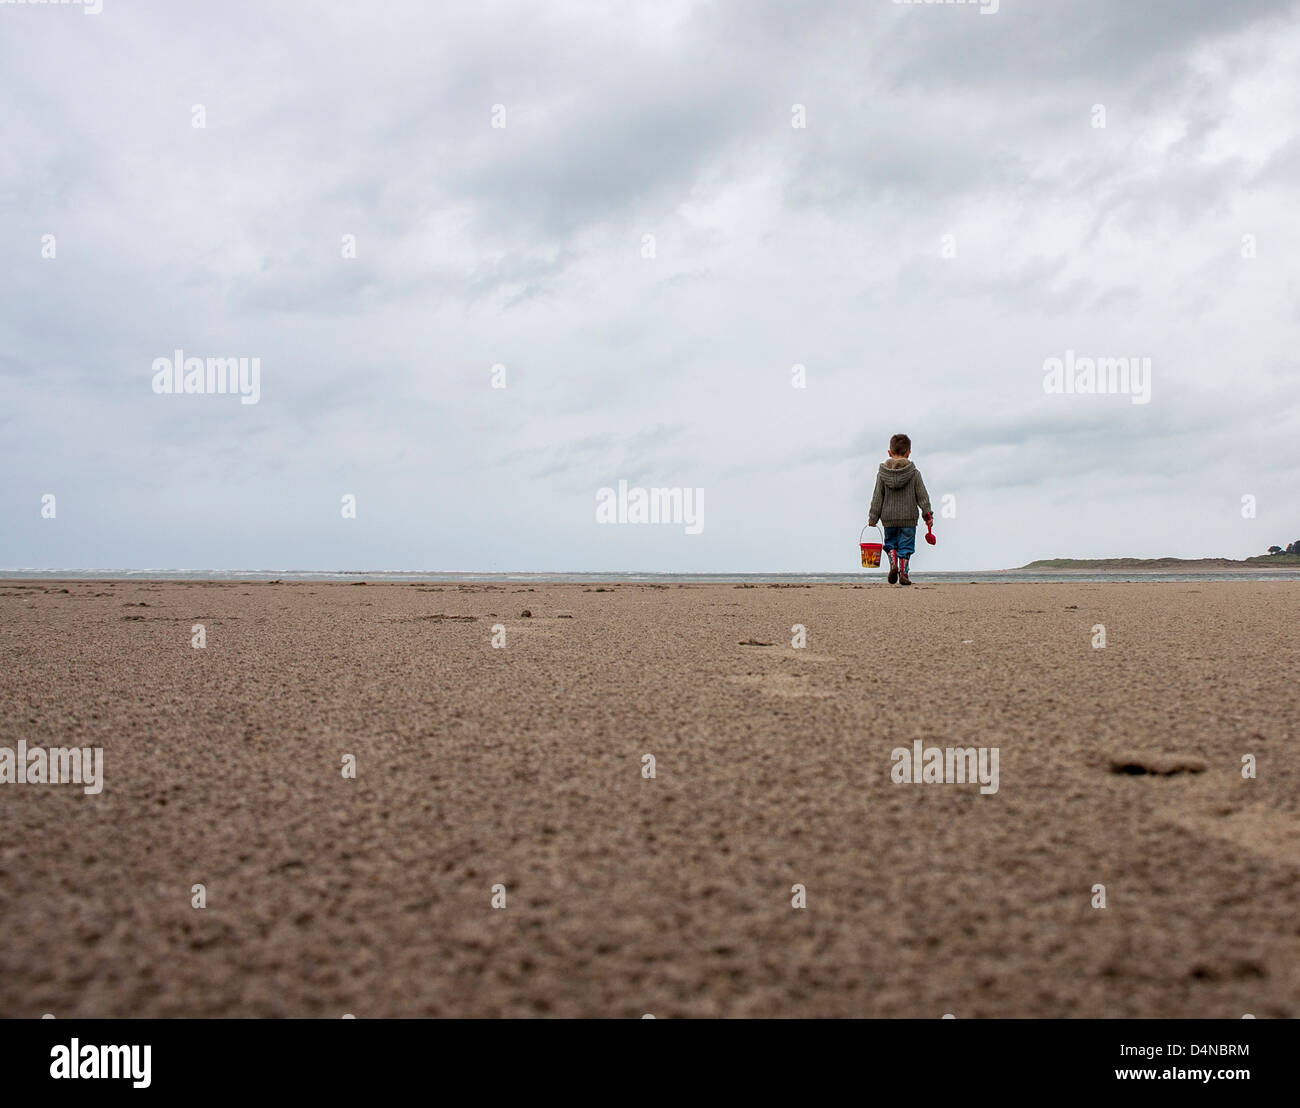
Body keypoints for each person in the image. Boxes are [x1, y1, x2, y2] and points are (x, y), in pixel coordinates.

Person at [867, 433, 933, 586]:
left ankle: (892, 563)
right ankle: (903, 572)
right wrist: (927, 515)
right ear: (908, 452)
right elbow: (922, 496)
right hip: (908, 518)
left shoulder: (882, 475)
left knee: (891, 543)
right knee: (906, 546)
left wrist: (873, 518)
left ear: (889, 453)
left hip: (888, 518)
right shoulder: (914, 474)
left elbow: (877, 497)